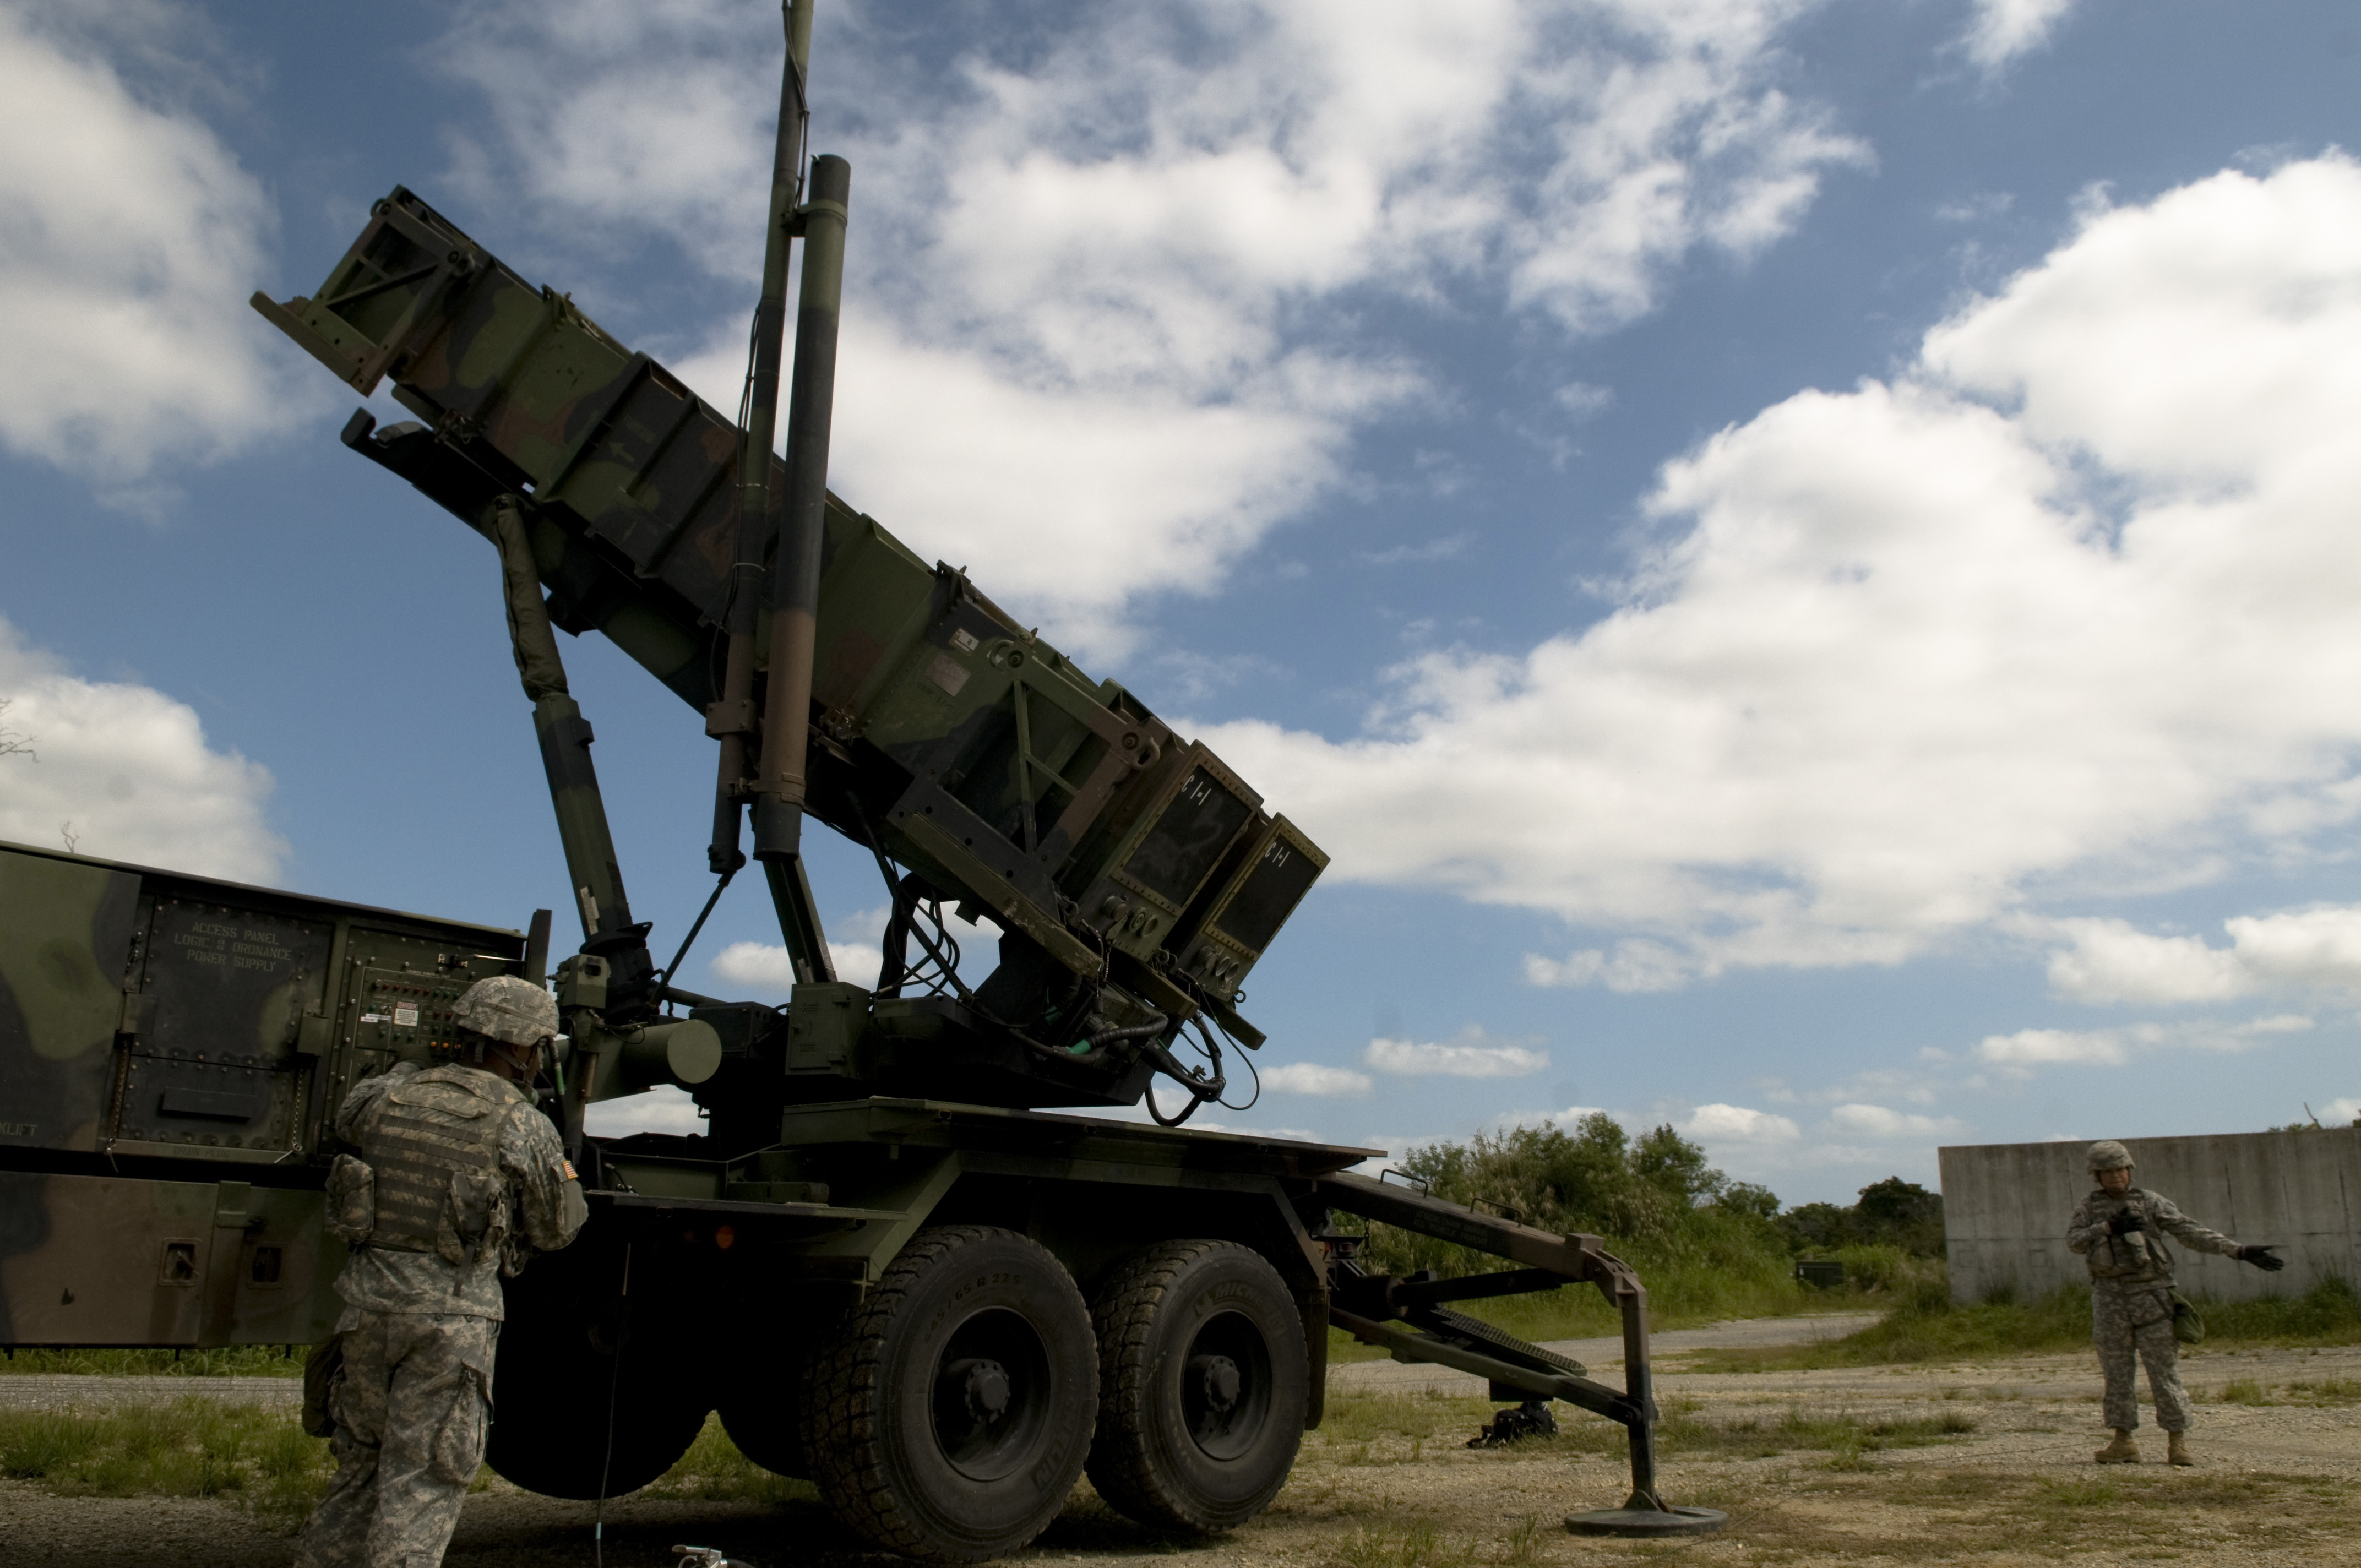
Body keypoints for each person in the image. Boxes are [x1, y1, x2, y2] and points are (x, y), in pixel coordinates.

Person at [295, 974, 588, 1568]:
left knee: (360, 1472)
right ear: (524, 1047)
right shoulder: (522, 1123)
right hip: (450, 1326)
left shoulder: (385, 1098)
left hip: (368, 1314)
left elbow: (350, 1116)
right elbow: (557, 1230)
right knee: (424, 1480)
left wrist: (405, 1073)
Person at [2065, 1139, 2283, 1466]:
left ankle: (2177, 1443)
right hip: (2110, 1299)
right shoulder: (2088, 1206)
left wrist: (2237, 1251)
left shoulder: (2150, 1202)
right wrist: (2107, 1228)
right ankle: (2123, 1442)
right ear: (2096, 1175)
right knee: (2117, 1374)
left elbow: (2189, 1230)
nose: (2115, 1177)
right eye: (2107, 1171)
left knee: (2164, 1374)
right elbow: (2074, 1242)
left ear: (2130, 1170)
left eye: (2120, 1170)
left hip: (2152, 1296)